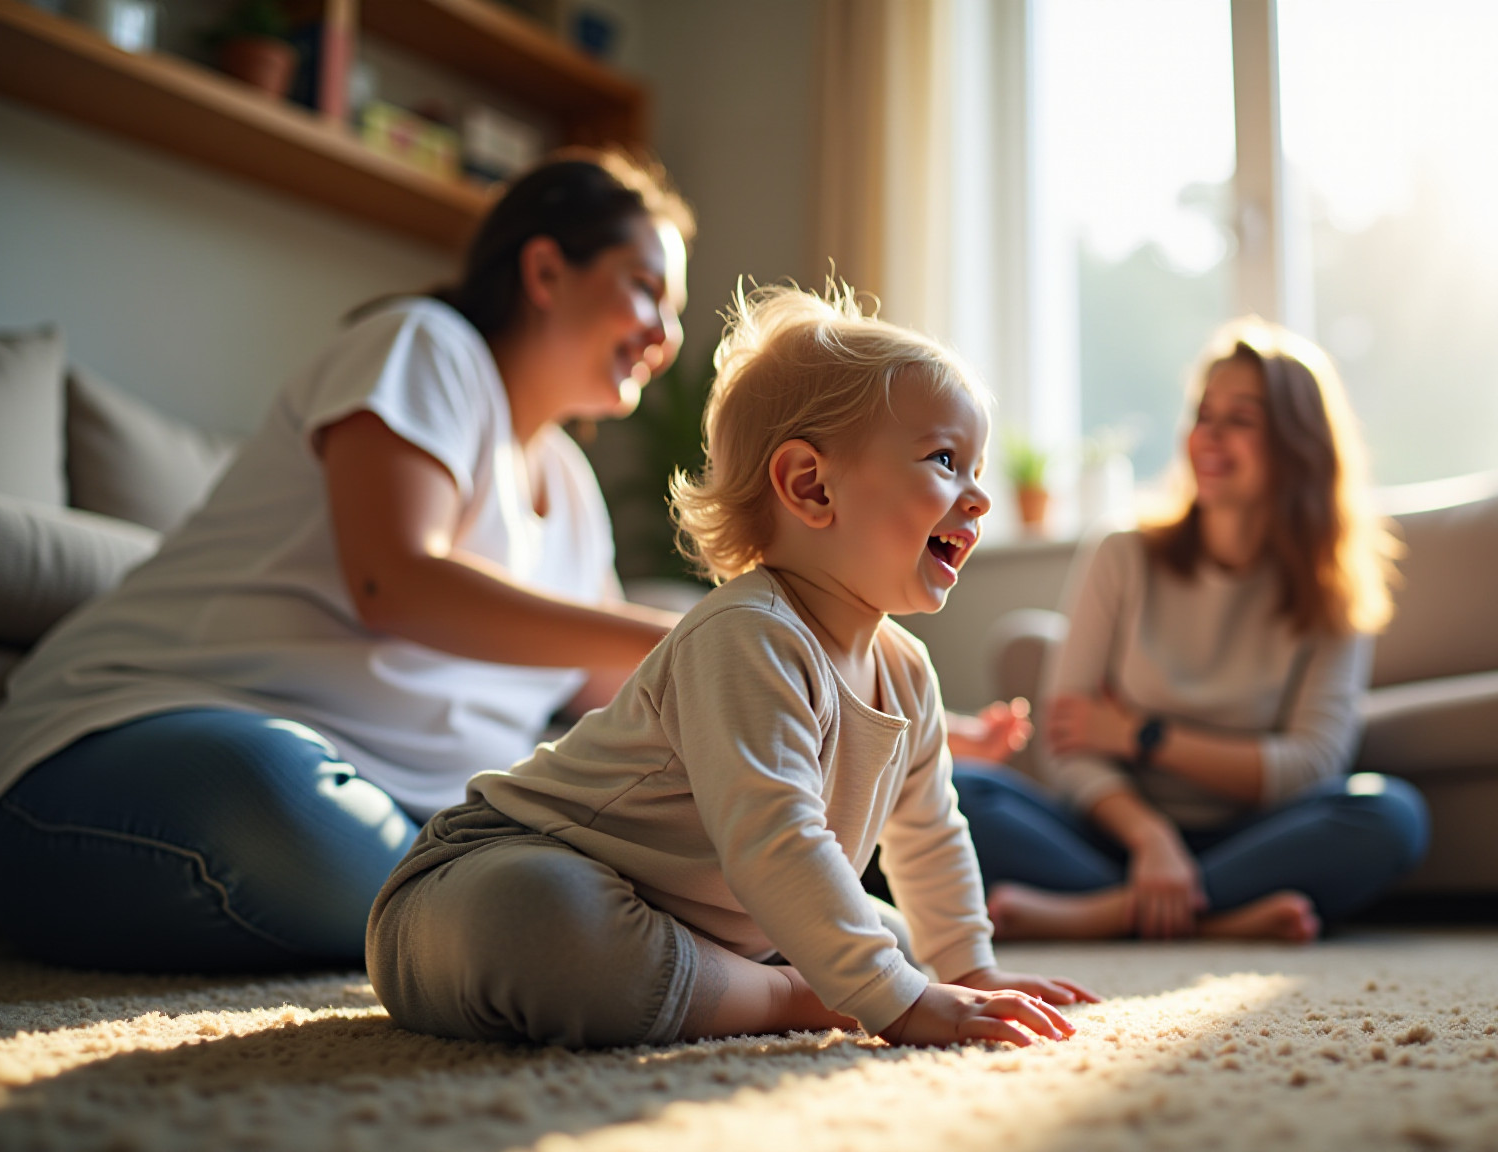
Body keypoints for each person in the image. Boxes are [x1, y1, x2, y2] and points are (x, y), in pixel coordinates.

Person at [0, 152, 694, 973]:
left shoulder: (570, 480)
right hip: (134, 758)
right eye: (645, 288)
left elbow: (605, 684)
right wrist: (677, 635)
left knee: (590, 859)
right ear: (544, 270)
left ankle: (520, 910)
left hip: (413, 819)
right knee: (277, 793)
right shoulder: (426, 346)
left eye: (674, 309)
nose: (665, 335)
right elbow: (395, 581)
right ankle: (504, 909)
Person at [365, 283, 1096, 1050]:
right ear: (811, 486)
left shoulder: (906, 670)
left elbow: (929, 835)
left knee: (895, 940)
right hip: (485, 877)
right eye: (946, 461)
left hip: (707, 924)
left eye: (977, 468)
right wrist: (898, 1002)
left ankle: (760, 983)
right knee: (546, 919)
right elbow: (777, 840)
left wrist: (970, 972)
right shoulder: (747, 634)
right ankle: (791, 995)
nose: (978, 497)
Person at [952, 318, 1430, 943]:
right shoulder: (1121, 552)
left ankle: (1103, 915)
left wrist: (1141, 734)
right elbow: (1069, 743)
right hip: (1115, 832)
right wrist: (1151, 837)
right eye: (1204, 414)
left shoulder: (1334, 588)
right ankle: (1215, 918)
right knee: (955, 788)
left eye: (1241, 419)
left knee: (1391, 814)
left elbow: (1311, 764)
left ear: (1297, 443)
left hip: (1253, 835)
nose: (1209, 436)